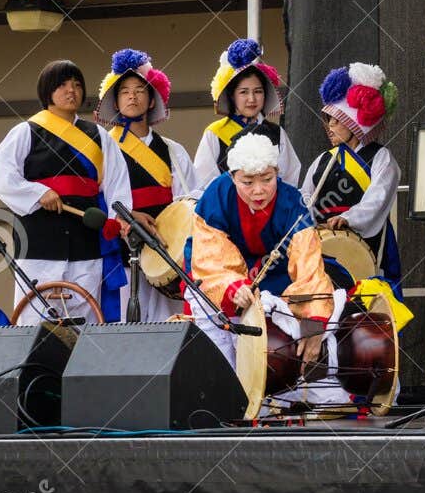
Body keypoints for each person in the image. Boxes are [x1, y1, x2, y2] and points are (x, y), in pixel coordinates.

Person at [188, 134, 342, 407]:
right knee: (216, 332)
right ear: (233, 177)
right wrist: (233, 287)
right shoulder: (216, 195)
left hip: (276, 276)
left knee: (298, 331)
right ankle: (222, 398)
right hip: (222, 277)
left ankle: (279, 392)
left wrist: (313, 323)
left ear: (277, 174)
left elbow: (308, 267)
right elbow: (210, 257)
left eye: (267, 179)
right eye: (247, 182)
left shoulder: (293, 202)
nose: (259, 190)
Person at [0, 60, 132, 322]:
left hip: (86, 243)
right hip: (38, 246)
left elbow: (117, 185)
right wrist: (37, 194)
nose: (71, 91)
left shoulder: (99, 135)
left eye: (77, 85)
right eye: (63, 85)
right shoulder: (25, 132)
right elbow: (4, 180)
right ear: (48, 92)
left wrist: (119, 220)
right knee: (34, 322)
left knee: (87, 320)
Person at [94, 49, 197, 321]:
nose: (132, 96)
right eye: (125, 91)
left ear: (152, 100)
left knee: (171, 329)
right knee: (126, 330)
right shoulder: (102, 148)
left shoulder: (173, 151)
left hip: (166, 251)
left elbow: (190, 202)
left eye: (140, 89)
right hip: (122, 252)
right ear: (115, 102)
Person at [300, 63, 401, 290]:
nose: (330, 126)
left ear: (353, 123)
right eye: (329, 120)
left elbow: (378, 198)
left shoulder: (381, 157)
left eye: (337, 120)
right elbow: (306, 198)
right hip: (325, 239)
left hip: (368, 238)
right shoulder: (323, 160)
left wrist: (349, 219)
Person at [193, 39, 300, 188]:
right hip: (227, 209)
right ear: (232, 96)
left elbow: (289, 178)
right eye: (244, 92)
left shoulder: (277, 133)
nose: (252, 99)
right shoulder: (215, 133)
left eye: (258, 91)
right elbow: (203, 182)